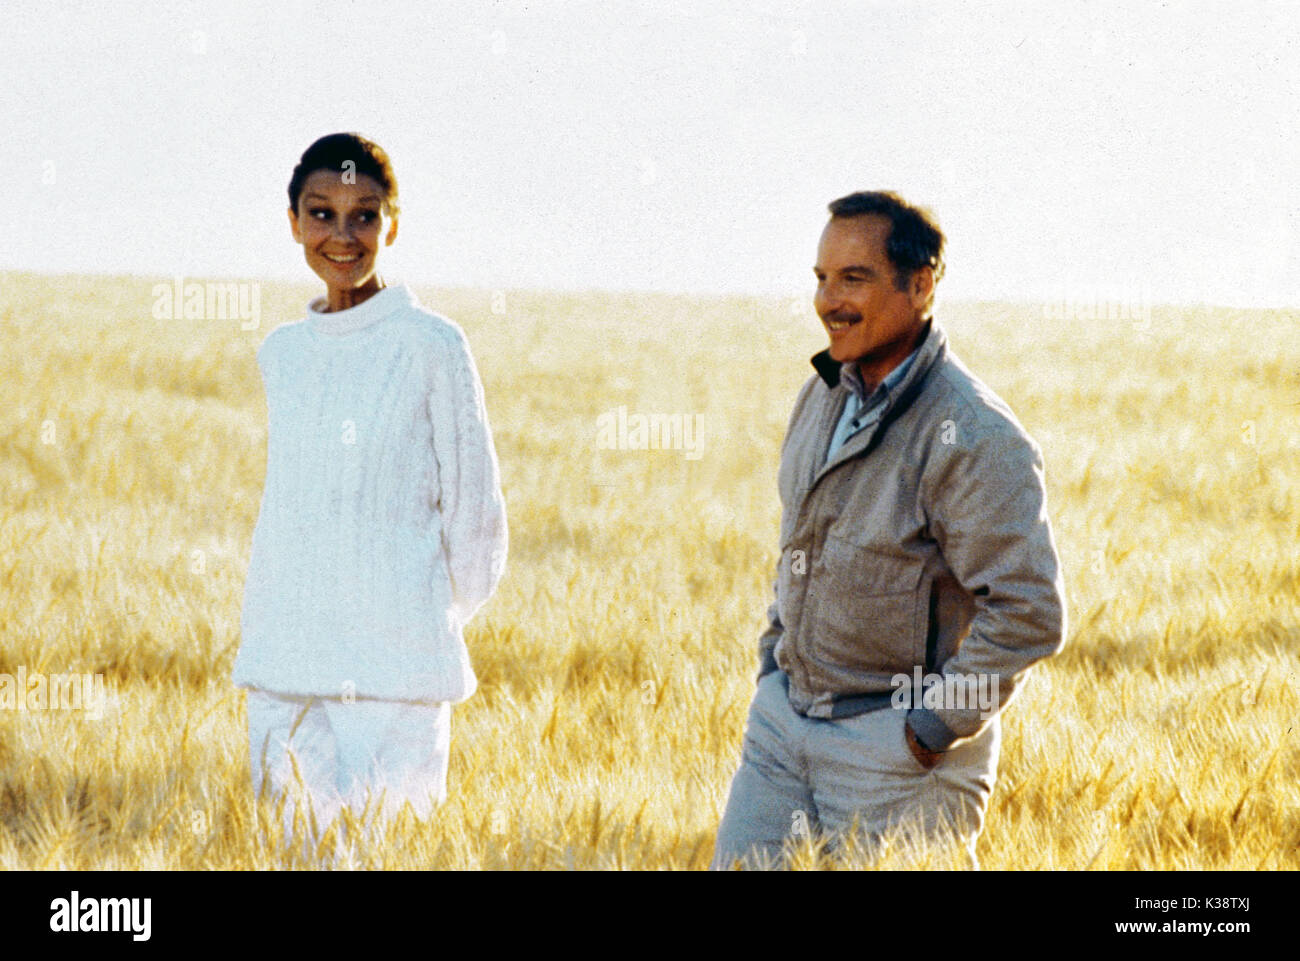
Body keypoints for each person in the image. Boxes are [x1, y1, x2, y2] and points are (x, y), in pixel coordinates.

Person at [710, 190, 1066, 869]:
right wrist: (772, 667)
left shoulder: (974, 434)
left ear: (922, 283)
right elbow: (800, 549)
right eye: (820, 278)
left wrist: (929, 729)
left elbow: (1030, 612)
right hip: (783, 731)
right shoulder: (820, 396)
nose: (828, 301)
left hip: (894, 754)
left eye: (854, 278)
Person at [232, 133, 507, 836]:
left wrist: (412, 623)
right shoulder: (282, 354)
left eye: (364, 214)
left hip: (398, 684)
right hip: (285, 675)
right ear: (293, 222)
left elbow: (478, 521)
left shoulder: (433, 345)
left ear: (393, 222)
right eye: (322, 213)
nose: (343, 234)